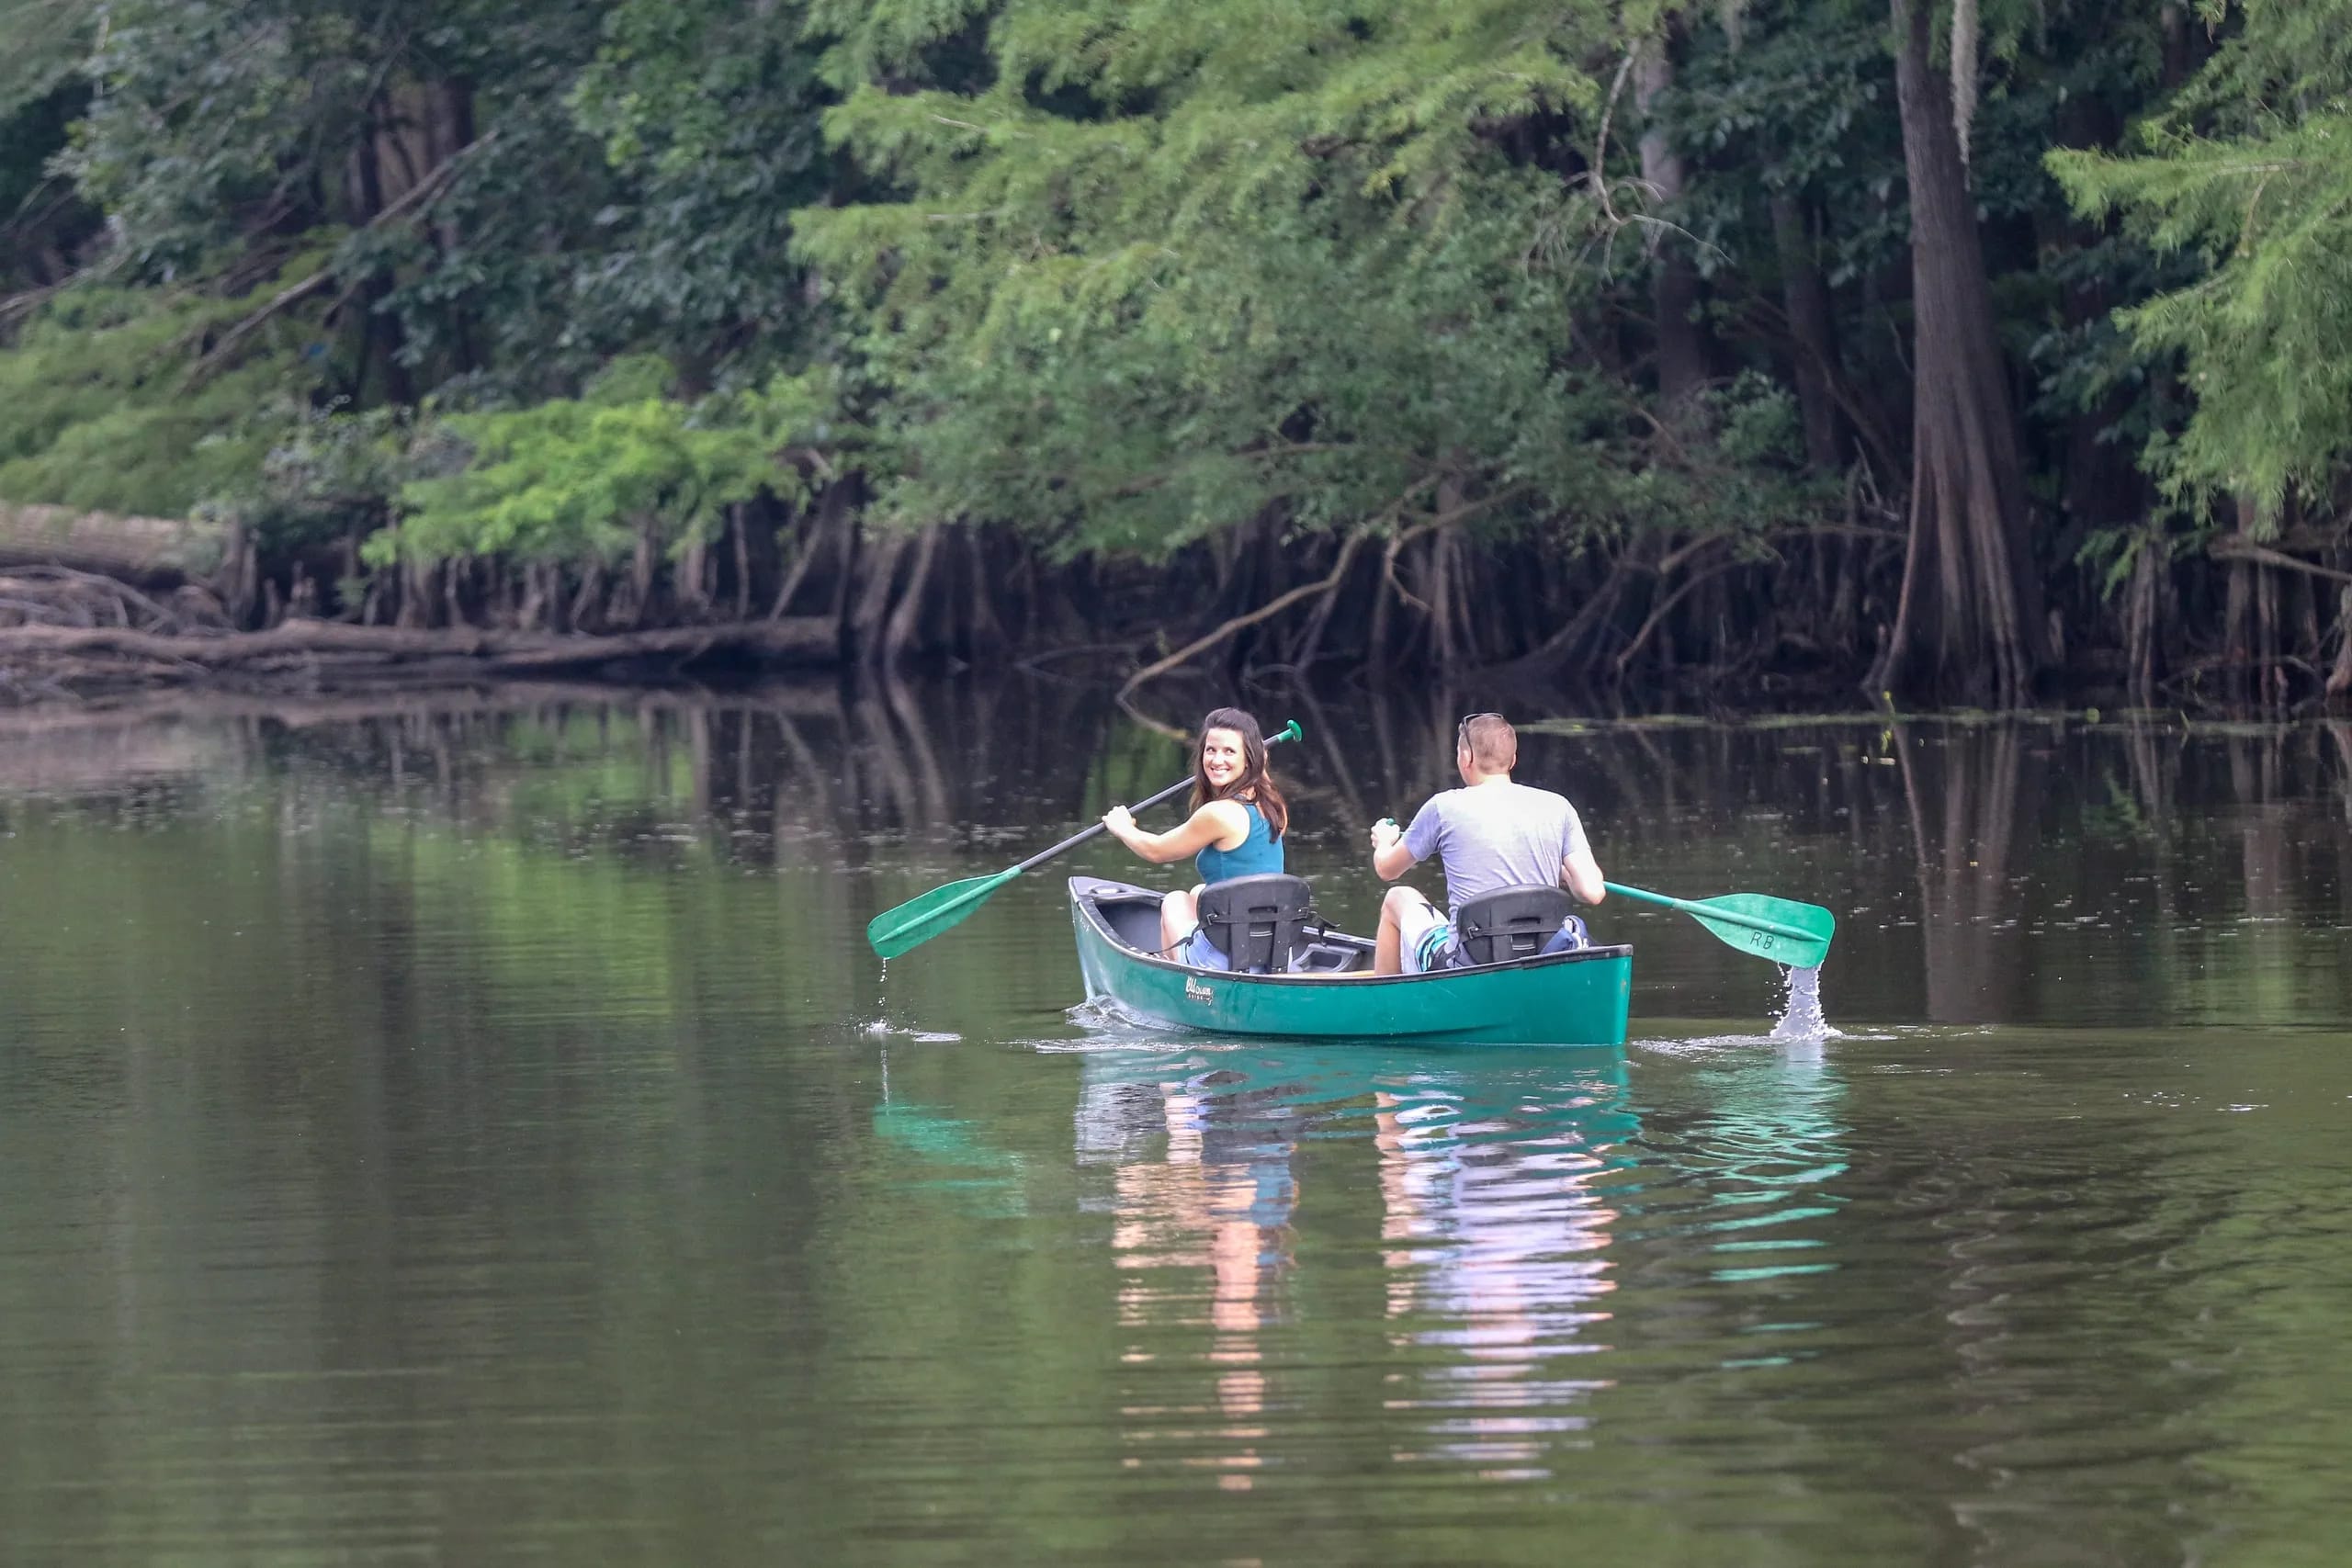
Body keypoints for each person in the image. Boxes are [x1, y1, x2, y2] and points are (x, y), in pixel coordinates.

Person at [1367, 712, 1603, 975]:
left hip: (1466, 962)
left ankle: (1385, 1010)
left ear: (1466, 758)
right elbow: (1592, 892)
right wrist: (1566, 875)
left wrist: (1384, 843)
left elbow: (1387, 870)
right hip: (1542, 954)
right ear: (1513, 760)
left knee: (1396, 898)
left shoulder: (1443, 807)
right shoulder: (1559, 806)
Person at [1102, 707, 1290, 969]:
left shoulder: (1219, 814)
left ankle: (1176, 976)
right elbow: (1260, 775)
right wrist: (1258, 758)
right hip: (1274, 952)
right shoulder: (1272, 805)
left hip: (1231, 958)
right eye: (1211, 750)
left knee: (1175, 900)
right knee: (1199, 892)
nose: (1216, 760)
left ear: (1249, 758)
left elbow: (1156, 851)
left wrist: (1123, 827)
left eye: (1229, 751)